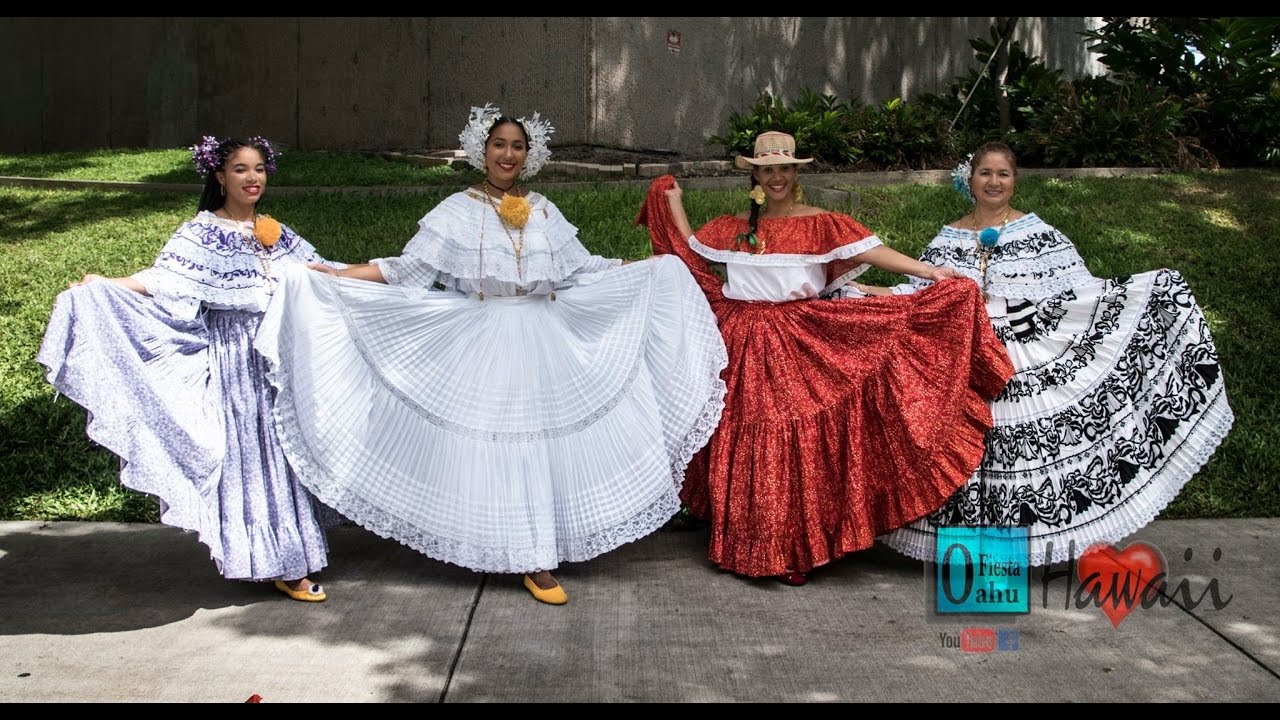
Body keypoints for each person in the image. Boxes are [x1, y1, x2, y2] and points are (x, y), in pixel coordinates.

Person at [252, 104, 728, 605]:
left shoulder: (543, 209)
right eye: (499, 144)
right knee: (497, 443)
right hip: (485, 335)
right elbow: (407, 269)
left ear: (530, 154)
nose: (508, 154)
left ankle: (540, 552)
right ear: (483, 150)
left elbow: (580, 269)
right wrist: (337, 276)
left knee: (541, 445)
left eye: (517, 146)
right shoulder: (457, 210)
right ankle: (512, 550)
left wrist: (644, 267)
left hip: (543, 335)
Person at [636, 131, 1015, 585]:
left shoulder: (821, 223)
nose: (776, 177)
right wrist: (671, 201)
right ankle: (748, 544)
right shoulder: (734, 227)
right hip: (738, 341)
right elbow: (691, 250)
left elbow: (869, 251)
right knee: (747, 436)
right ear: (755, 174)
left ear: (796, 172)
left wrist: (928, 270)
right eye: (767, 168)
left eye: (785, 168)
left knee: (794, 442)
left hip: (799, 338)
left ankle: (793, 548)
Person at [874, 141, 1234, 565]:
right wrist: (859, 293)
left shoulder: (1039, 234)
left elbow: (1082, 293)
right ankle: (972, 555)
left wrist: (1152, 290)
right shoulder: (947, 236)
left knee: (1017, 458)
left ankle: (1018, 553)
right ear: (969, 179)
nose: (994, 182)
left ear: (1015, 182)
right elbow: (917, 296)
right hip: (965, 358)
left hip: (1022, 360)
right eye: (985, 173)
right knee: (972, 454)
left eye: (1003, 174)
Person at [37, 136, 338, 601]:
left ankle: (286, 551)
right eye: (240, 169)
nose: (252, 178)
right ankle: (281, 562)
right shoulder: (201, 233)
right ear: (219, 176)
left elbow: (320, 272)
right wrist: (106, 284)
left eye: (259, 169)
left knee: (284, 449)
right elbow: (162, 280)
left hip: (278, 353)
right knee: (254, 455)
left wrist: (383, 274)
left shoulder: (275, 232)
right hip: (237, 357)